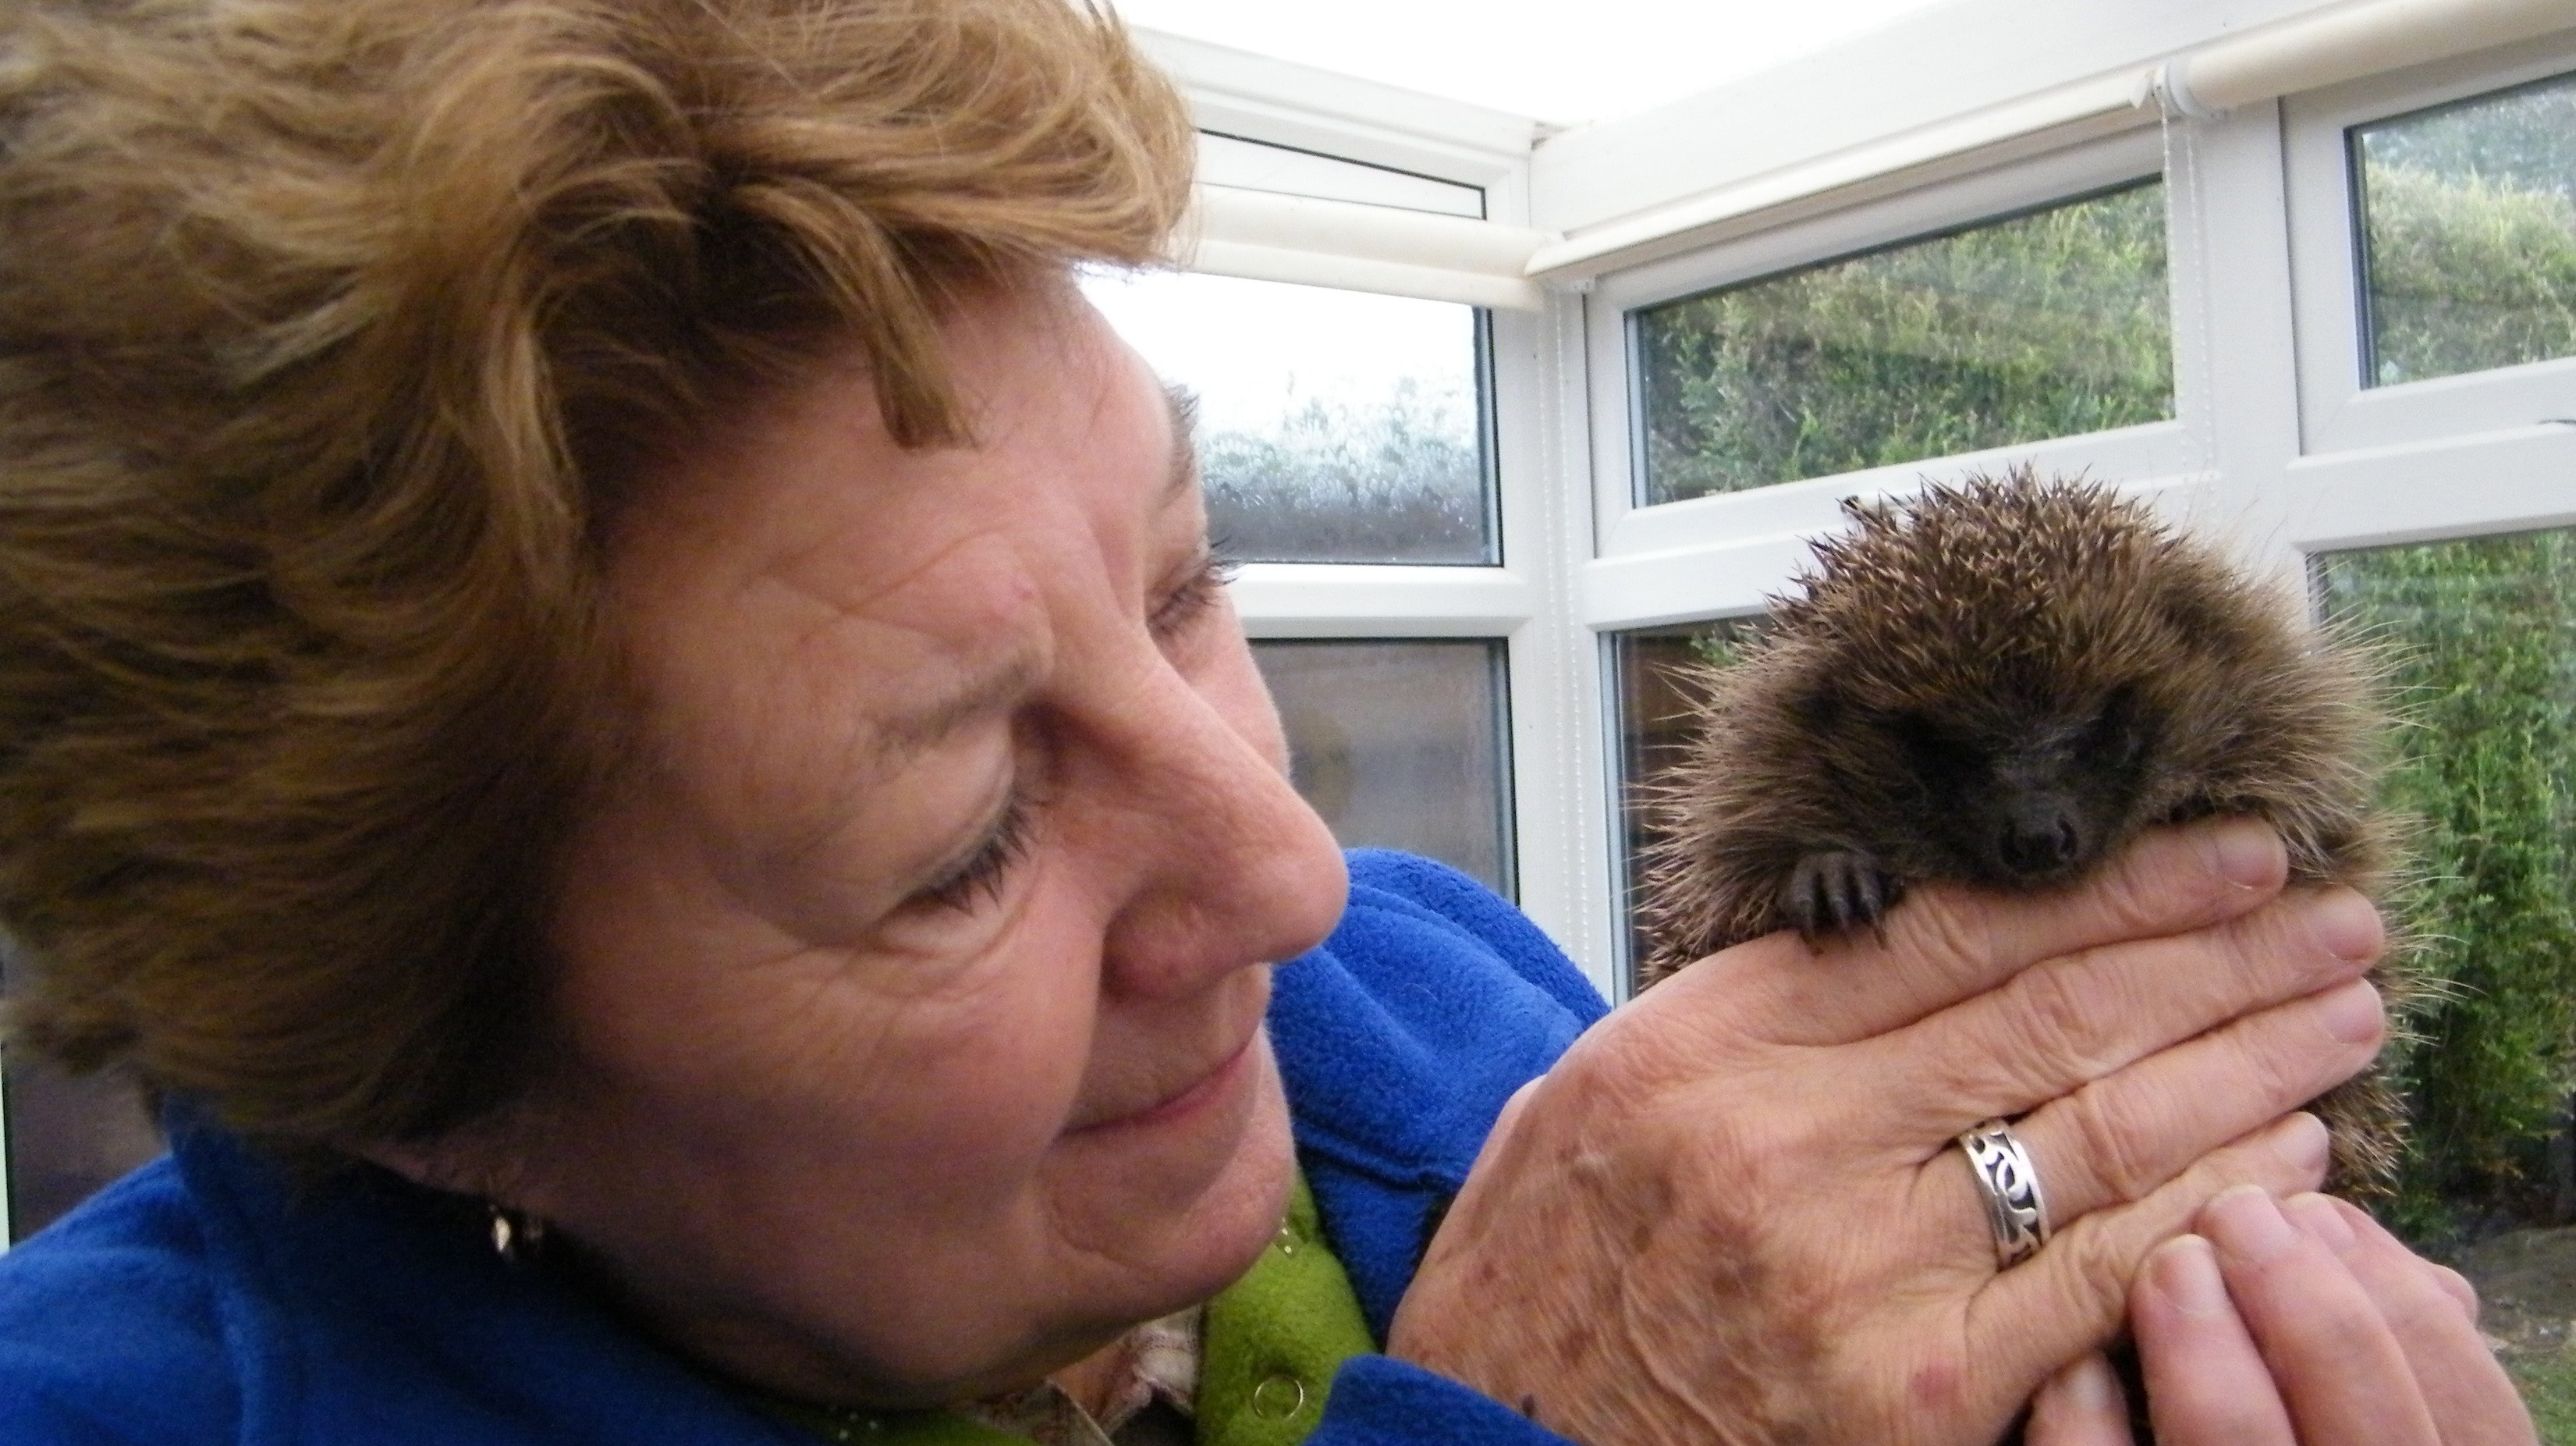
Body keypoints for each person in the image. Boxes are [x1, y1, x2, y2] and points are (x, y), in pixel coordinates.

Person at [0, 1, 2534, 1443]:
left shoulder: (1427, 1011)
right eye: (971, 832)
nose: (1302, 877)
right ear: (426, 1064)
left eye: (1192, 584)